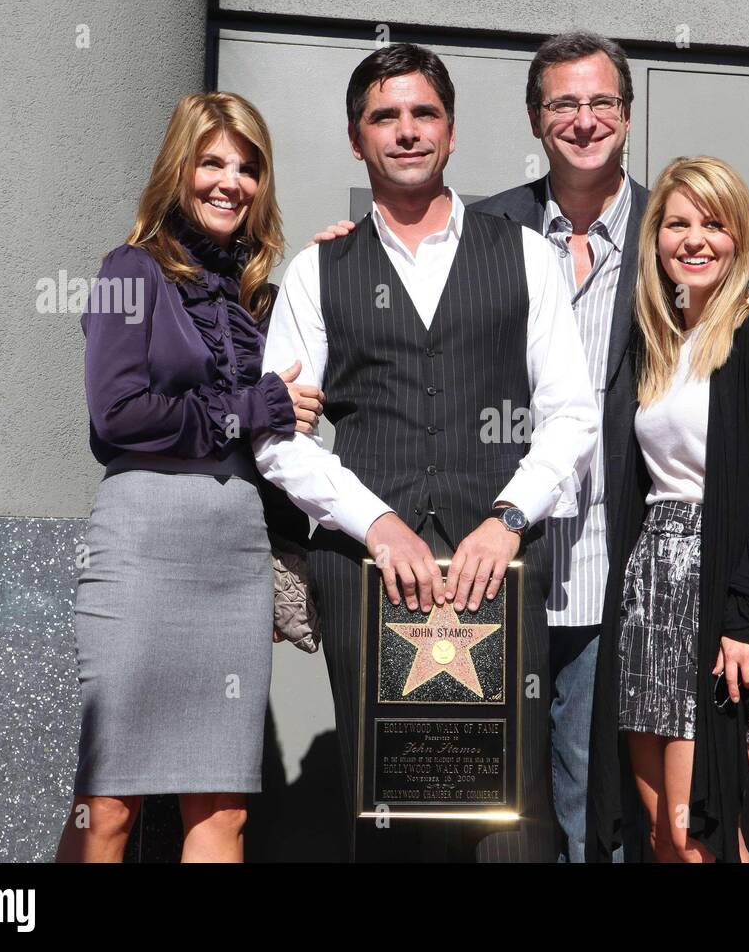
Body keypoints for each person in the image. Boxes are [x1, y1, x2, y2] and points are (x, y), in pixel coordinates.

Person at [253, 43, 598, 862]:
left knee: (507, 824)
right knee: (390, 817)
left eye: (423, 114)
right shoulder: (319, 268)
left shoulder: (522, 253)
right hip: (368, 575)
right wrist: (376, 524)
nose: (406, 132)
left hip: (499, 570)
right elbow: (275, 433)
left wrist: (508, 519)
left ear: (450, 133)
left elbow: (572, 414)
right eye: (385, 116)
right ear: (354, 137)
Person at [56, 92, 321, 862]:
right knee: (107, 808)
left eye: (248, 168)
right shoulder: (127, 271)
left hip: (232, 558)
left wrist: (345, 259)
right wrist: (256, 405)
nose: (230, 182)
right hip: (141, 551)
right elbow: (120, 415)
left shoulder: (258, 298)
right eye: (212, 162)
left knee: (222, 813)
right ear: (180, 169)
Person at [586, 156, 749, 862]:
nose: (695, 239)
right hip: (648, 586)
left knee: (698, 834)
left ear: (738, 233)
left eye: (713, 223)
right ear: (655, 237)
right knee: (662, 838)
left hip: (719, 593)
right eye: (678, 222)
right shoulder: (658, 341)